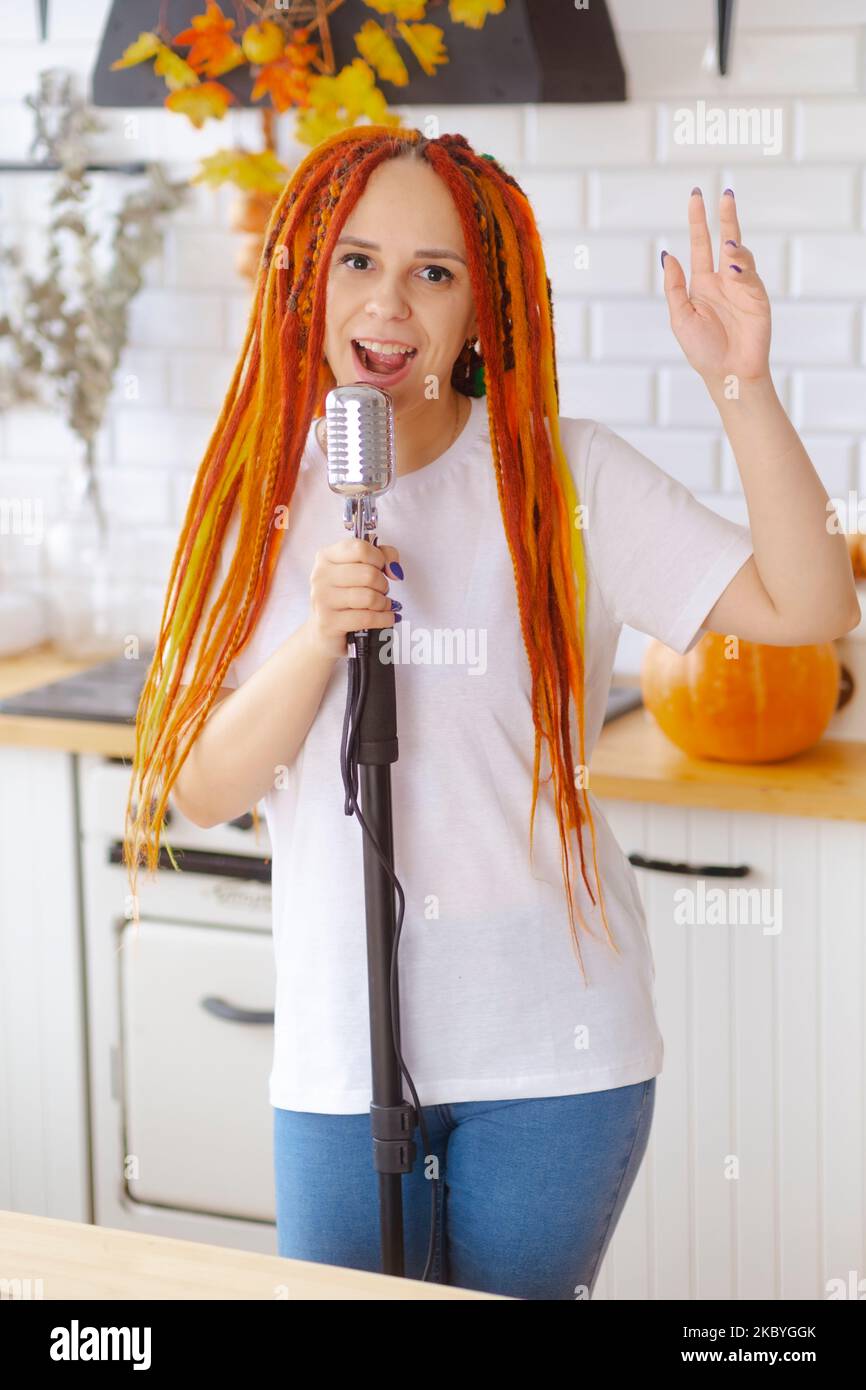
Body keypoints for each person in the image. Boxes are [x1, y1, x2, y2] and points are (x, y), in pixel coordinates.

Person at [123, 129, 859, 1300]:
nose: (388, 302)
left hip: (555, 1059)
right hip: (336, 1058)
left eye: (434, 270)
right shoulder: (253, 501)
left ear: (484, 302)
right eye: (356, 260)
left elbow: (810, 604)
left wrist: (739, 382)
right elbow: (198, 790)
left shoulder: (563, 480)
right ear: (306, 272)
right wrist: (318, 635)